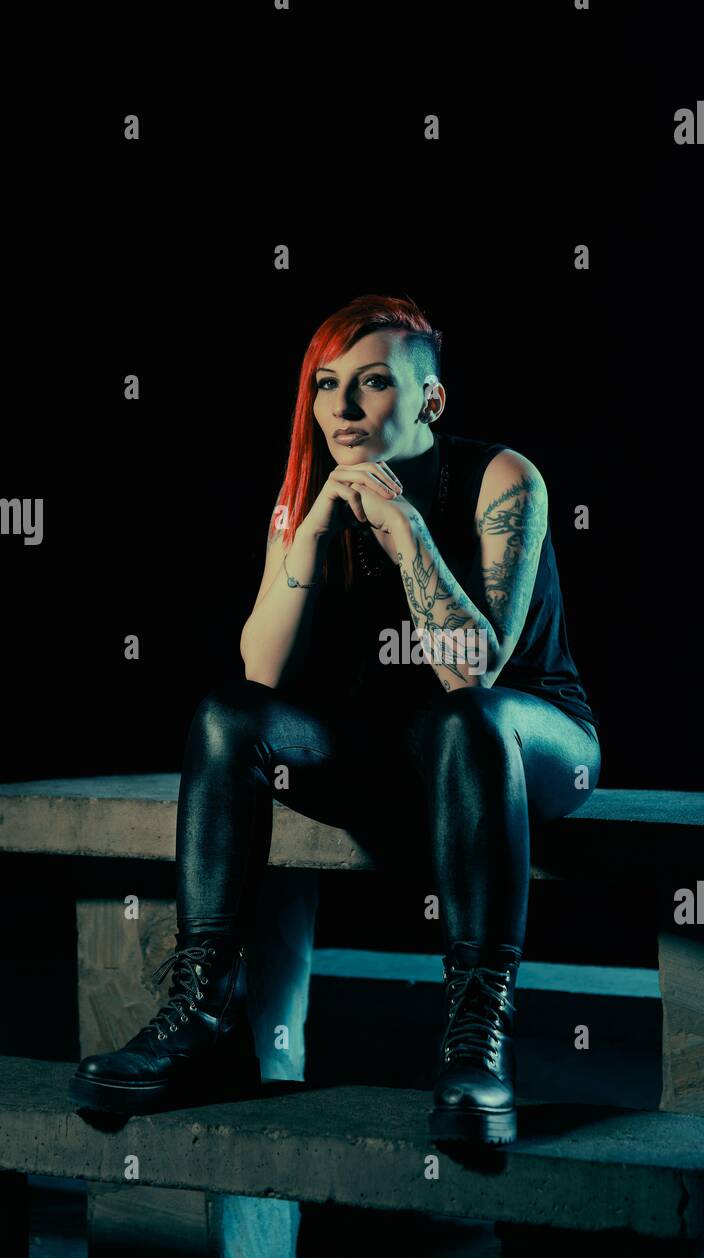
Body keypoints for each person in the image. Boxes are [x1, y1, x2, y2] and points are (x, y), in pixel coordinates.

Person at [69, 293, 601, 1145]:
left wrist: (403, 527)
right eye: (325, 385)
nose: (342, 409)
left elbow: (472, 671)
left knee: (467, 722)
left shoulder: (504, 478)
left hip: (525, 738)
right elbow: (261, 679)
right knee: (220, 713)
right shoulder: (304, 495)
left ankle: (476, 1037)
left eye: (373, 383)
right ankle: (202, 1010)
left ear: (429, 398)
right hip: (391, 747)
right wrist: (314, 530)